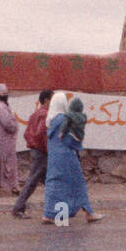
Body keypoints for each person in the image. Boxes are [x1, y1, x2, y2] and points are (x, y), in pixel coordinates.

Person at [43, 93, 98, 224]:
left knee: (54, 185)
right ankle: (89, 213)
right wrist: (78, 144)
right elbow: (69, 140)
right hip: (67, 157)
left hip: (53, 159)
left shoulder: (50, 121)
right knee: (78, 183)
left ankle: (49, 214)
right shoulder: (64, 119)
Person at [11, 89, 53, 218]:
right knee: (33, 181)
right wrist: (48, 149)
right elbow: (42, 133)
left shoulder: (36, 114)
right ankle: (18, 208)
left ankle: (58, 207)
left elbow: (27, 133)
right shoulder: (45, 115)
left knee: (49, 182)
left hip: (37, 150)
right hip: (42, 152)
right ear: (46, 100)